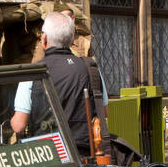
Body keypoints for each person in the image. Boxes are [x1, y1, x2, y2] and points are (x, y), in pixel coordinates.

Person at [11, 11, 104, 157]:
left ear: (44, 39)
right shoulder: (91, 68)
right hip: (86, 158)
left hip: (49, 159)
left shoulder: (32, 73)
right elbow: (103, 112)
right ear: (72, 39)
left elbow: (19, 126)